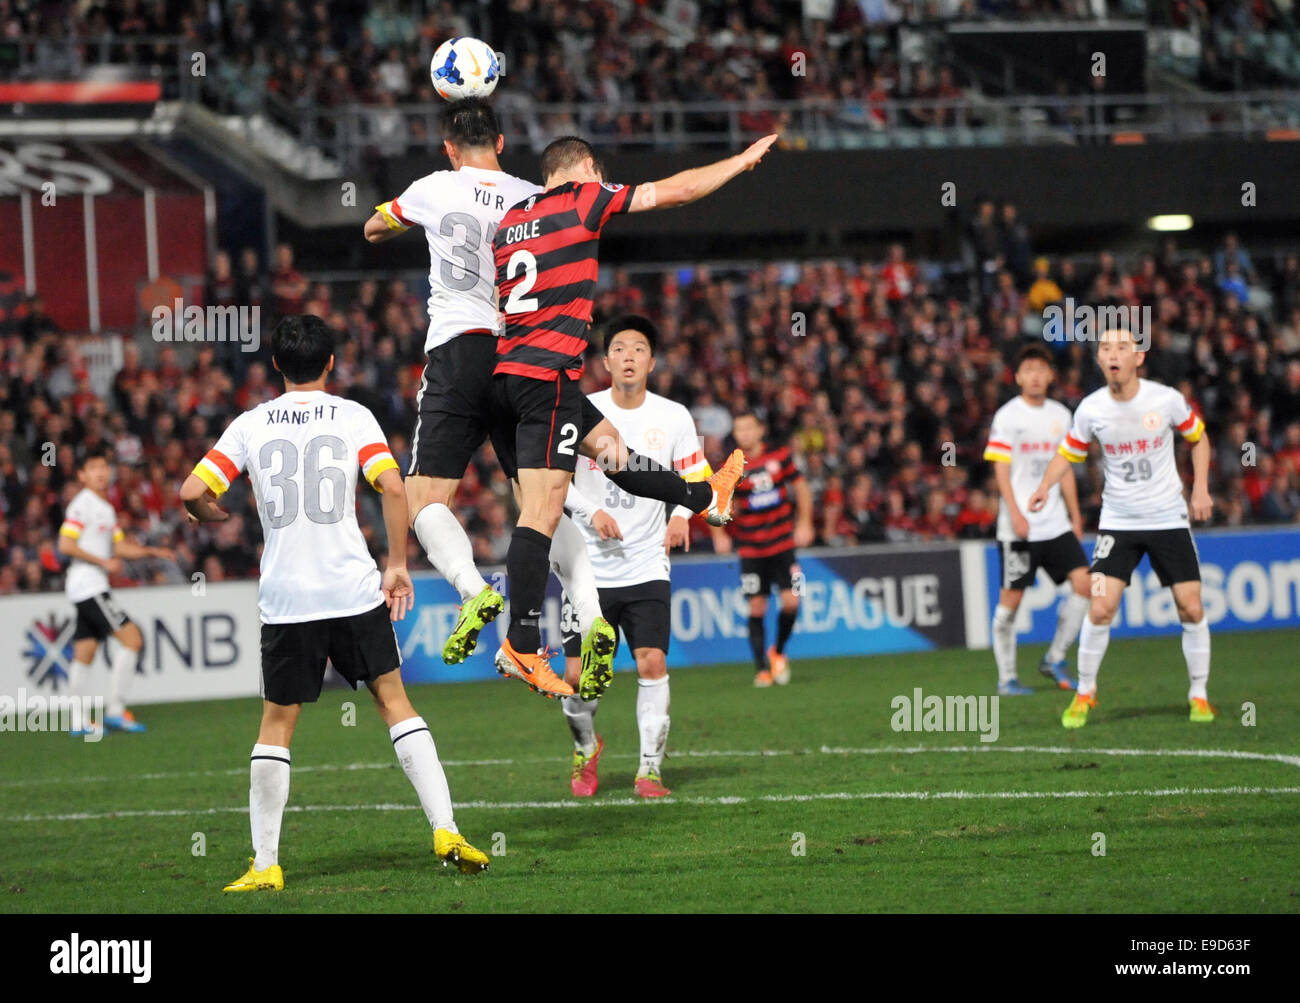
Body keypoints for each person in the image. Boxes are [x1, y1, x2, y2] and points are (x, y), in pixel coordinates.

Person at [180, 315, 489, 891]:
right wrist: (396, 565)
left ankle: (266, 863)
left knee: (276, 724)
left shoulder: (250, 424)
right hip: (351, 588)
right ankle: (446, 829)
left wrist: (212, 516)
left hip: (287, 595)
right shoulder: (353, 416)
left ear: (275, 365)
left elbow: (192, 492)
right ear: (329, 364)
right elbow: (393, 486)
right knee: (394, 702)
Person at [487, 134, 774, 696]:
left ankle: (704, 498)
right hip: (542, 377)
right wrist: (739, 162)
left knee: (613, 450)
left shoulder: (510, 220)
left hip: (525, 371)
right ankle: (520, 644)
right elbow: (677, 191)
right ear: (587, 168)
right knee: (540, 512)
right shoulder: (581, 199)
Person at [363, 97, 617, 700]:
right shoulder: (532, 197)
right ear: (502, 144)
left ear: (450, 149)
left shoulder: (432, 187)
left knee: (425, 498)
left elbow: (373, 228)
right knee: (539, 504)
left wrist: (404, 219)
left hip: (456, 352)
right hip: (522, 358)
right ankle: (592, 609)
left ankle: (475, 590)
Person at [1028, 327, 1215, 728]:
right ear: (1100, 360)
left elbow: (1199, 440)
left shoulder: (1166, 400)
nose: (1113, 353)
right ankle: (1085, 693)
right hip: (1117, 523)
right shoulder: (1091, 409)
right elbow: (1068, 453)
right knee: (1101, 606)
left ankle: (1198, 695)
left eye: (1121, 347)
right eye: (1105, 348)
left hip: (1168, 518)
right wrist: (1045, 486)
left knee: (1191, 606)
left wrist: (1200, 489)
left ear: (1137, 357)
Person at [557, 316, 712, 799]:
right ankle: (585, 748)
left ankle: (649, 770)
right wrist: (591, 510)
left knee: (651, 662)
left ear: (651, 360)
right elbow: (549, 483)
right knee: (578, 678)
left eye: (638, 349)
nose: (628, 356)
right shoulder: (579, 410)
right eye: (619, 348)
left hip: (645, 562)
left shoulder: (675, 417)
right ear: (604, 362)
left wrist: (684, 514)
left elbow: (699, 478)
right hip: (584, 565)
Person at [983, 344, 1088, 696]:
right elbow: (1001, 469)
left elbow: (1066, 471)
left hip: (1055, 523)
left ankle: (1055, 657)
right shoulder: (1007, 417)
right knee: (1009, 605)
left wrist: (1075, 516)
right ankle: (1006, 678)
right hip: (1019, 527)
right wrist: (1014, 512)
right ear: (1018, 377)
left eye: (1041, 370)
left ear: (1050, 376)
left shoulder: (1061, 415)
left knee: (1086, 586)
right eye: (1028, 370)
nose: (1035, 376)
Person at [58, 452, 174, 734]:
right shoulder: (82, 505)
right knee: (132, 639)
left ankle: (78, 721)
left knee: (85, 651)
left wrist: (152, 551)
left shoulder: (106, 508)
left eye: (104, 467)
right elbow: (65, 545)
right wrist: (103, 562)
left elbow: (119, 547)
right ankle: (116, 711)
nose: (101, 472)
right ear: (82, 476)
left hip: (87, 586)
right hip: (89, 585)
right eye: (93, 467)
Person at [711, 411, 814, 687]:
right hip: (751, 549)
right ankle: (761, 669)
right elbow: (716, 501)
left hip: (784, 545)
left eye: (748, 428)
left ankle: (778, 651)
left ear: (760, 430)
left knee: (793, 600)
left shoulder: (780, 455)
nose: (743, 434)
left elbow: (802, 488)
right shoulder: (731, 466)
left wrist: (805, 523)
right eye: (738, 429)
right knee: (757, 607)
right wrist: (719, 535)